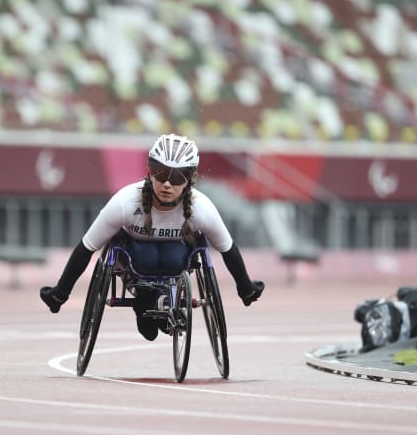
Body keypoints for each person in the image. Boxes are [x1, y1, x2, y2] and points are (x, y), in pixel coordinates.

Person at [39, 133, 265, 341]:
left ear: (191, 179)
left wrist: (245, 288)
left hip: (176, 260)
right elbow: (87, 247)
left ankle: (162, 302)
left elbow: (227, 249)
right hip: (135, 261)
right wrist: (61, 292)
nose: (167, 184)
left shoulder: (201, 208)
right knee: (146, 255)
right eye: (161, 173)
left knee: (172, 255)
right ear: (149, 171)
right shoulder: (126, 202)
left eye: (177, 177)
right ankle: (145, 303)